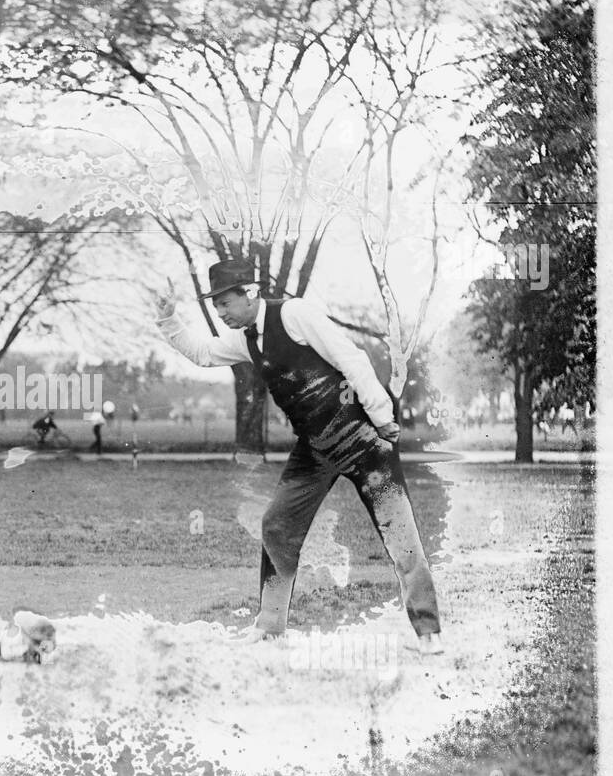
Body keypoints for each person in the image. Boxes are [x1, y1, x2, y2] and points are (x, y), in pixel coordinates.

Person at [156, 261, 443, 654]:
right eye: (216, 305)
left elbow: (350, 357)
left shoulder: (293, 313)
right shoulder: (247, 339)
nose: (220, 313)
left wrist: (381, 416)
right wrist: (168, 318)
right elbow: (204, 354)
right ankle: (271, 628)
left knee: (399, 535)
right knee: (276, 526)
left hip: (364, 438)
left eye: (225, 303)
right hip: (315, 448)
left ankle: (429, 635)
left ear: (251, 293)